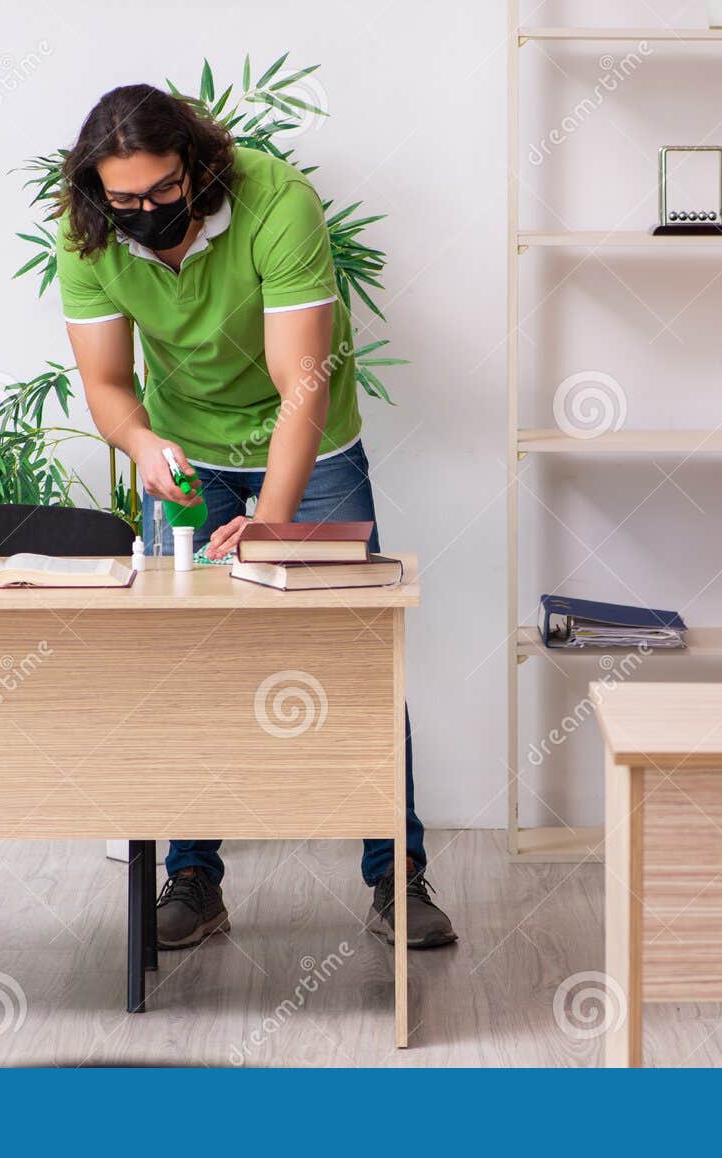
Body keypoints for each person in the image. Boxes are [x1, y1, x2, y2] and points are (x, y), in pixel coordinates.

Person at [56, 83, 455, 951]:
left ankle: (398, 877)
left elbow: (300, 386)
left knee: (358, 659)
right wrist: (141, 446)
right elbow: (110, 387)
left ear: (197, 167)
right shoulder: (88, 228)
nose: (146, 213)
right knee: (190, 665)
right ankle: (193, 879)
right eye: (125, 201)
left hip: (307, 449)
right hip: (189, 456)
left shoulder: (277, 201)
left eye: (163, 193)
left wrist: (271, 523)